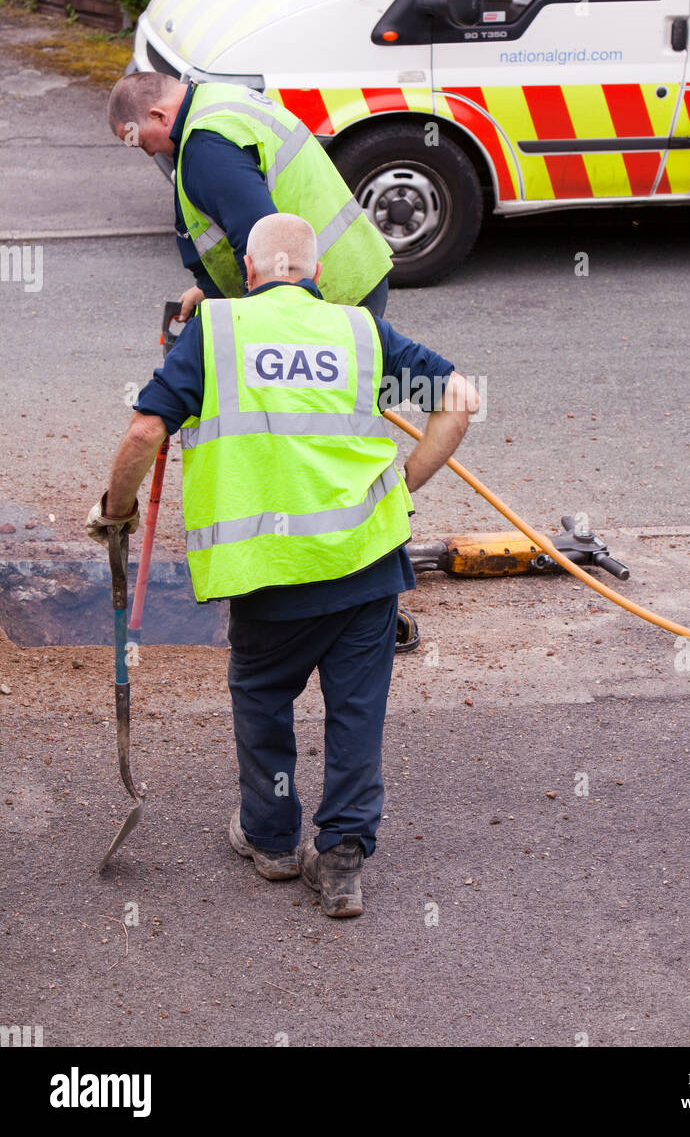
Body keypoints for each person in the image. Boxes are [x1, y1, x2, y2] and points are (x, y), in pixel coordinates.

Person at [87, 214, 478, 918]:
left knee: (264, 702)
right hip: (364, 563)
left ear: (249, 267)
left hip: (271, 571)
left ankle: (270, 842)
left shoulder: (217, 333)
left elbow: (148, 428)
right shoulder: (360, 331)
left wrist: (116, 510)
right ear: (317, 272)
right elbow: (457, 399)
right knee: (356, 714)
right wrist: (404, 483)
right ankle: (341, 861)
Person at [107, 72, 393, 321]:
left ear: (159, 115)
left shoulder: (207, 147)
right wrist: (208, 290)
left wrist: (254, 330)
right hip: (345, 271)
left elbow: (263, 243)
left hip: (326, 296)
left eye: (141, 141)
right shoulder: (214, 98)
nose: (148, 152)